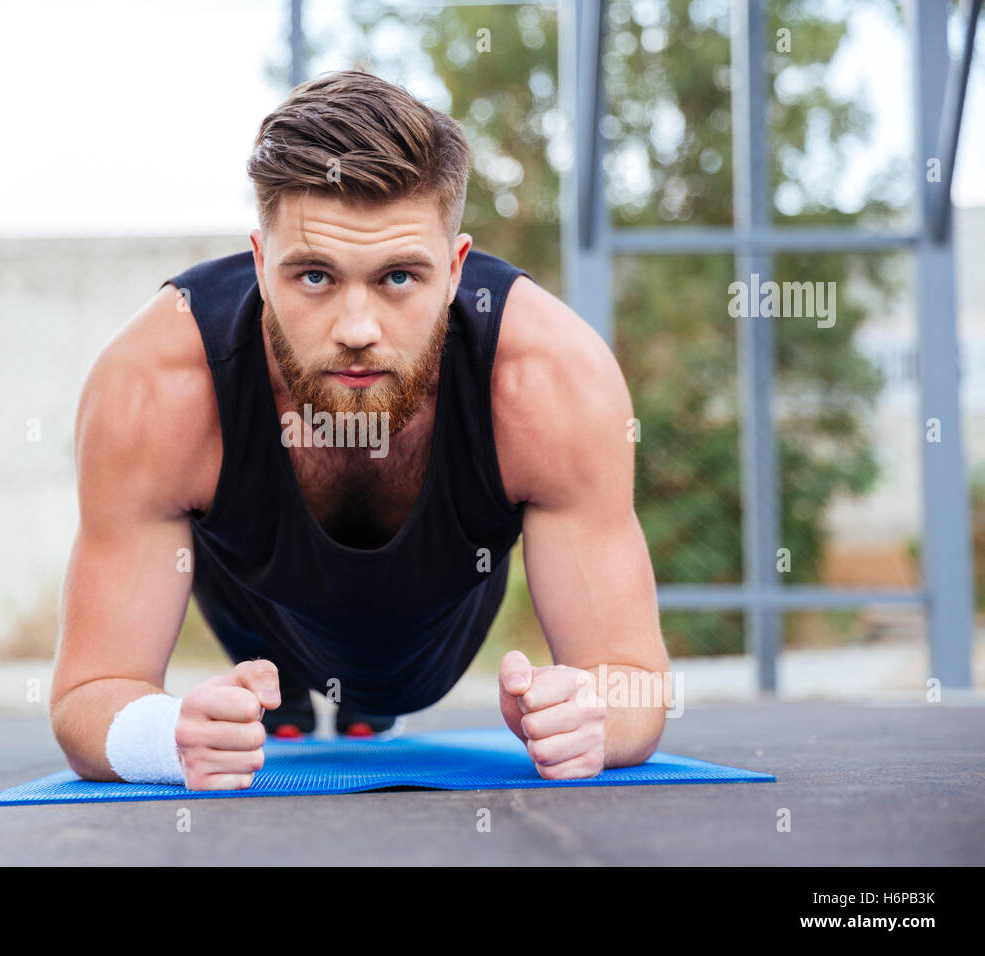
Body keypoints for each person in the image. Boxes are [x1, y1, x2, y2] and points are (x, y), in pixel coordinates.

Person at [50, 69, 670, 791]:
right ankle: (281, 694)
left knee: (382, 693)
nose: (356, 330)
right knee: (227, 527)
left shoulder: (550, 378)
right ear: (258, 263)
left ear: (455, 267)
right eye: (314, 276)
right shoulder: (154, 386)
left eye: (399, 278)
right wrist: (170, 735)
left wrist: (589, 713)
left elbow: (634, 681)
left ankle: (364, 710)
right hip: (257, 602)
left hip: (433, 627)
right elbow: (88, 691)